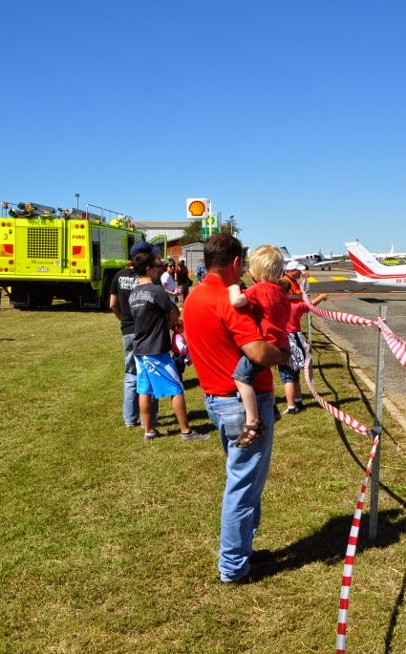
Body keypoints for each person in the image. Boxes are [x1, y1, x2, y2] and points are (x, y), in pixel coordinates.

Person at [182, 233, 289, 584]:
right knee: (242, 488)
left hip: (215, 399)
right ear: (234, 264)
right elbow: (259, 353)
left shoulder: (195, 295)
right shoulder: (227, 300)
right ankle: (233, 567)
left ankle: (242, 551)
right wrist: (290, 355)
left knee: (245, 483)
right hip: (241, 404)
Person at [128, 250, 207, 442]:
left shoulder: (133, 293)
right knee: (176, 388)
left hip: (138, 348)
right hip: (155, 349)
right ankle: (186, 431)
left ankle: (149, 431)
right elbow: (173, 313)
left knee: (144, 390)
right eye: (157, 267)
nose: (160, 269)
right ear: (149, 269)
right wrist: (172, 325)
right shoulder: (156, 291)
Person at [227, 245, 290, 431]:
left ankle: (252, 418)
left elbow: (237, 301)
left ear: (255, 271)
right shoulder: (280, 292)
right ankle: (272, 406)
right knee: (264, 374)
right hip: (280, 344)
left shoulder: (259, 290)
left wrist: (234, 288)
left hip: (266, 344)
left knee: (241, 377)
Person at [110, 242, 160, 429]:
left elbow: (112, 304)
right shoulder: (149, 278)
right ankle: (151, 418)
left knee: (131, 374)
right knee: (151, 372)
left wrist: (123, 319)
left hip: (128, 330)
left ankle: (130, 419)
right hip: (148, 332)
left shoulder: (119, 275)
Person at [280, 262, 329, 414]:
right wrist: (320, 297)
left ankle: (291, 406)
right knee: (295, 374)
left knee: (288, 376)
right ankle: (298, 401)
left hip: (286, 338)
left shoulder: (280, 306)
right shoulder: (296, 306)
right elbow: (308, 305)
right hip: (296, 336)